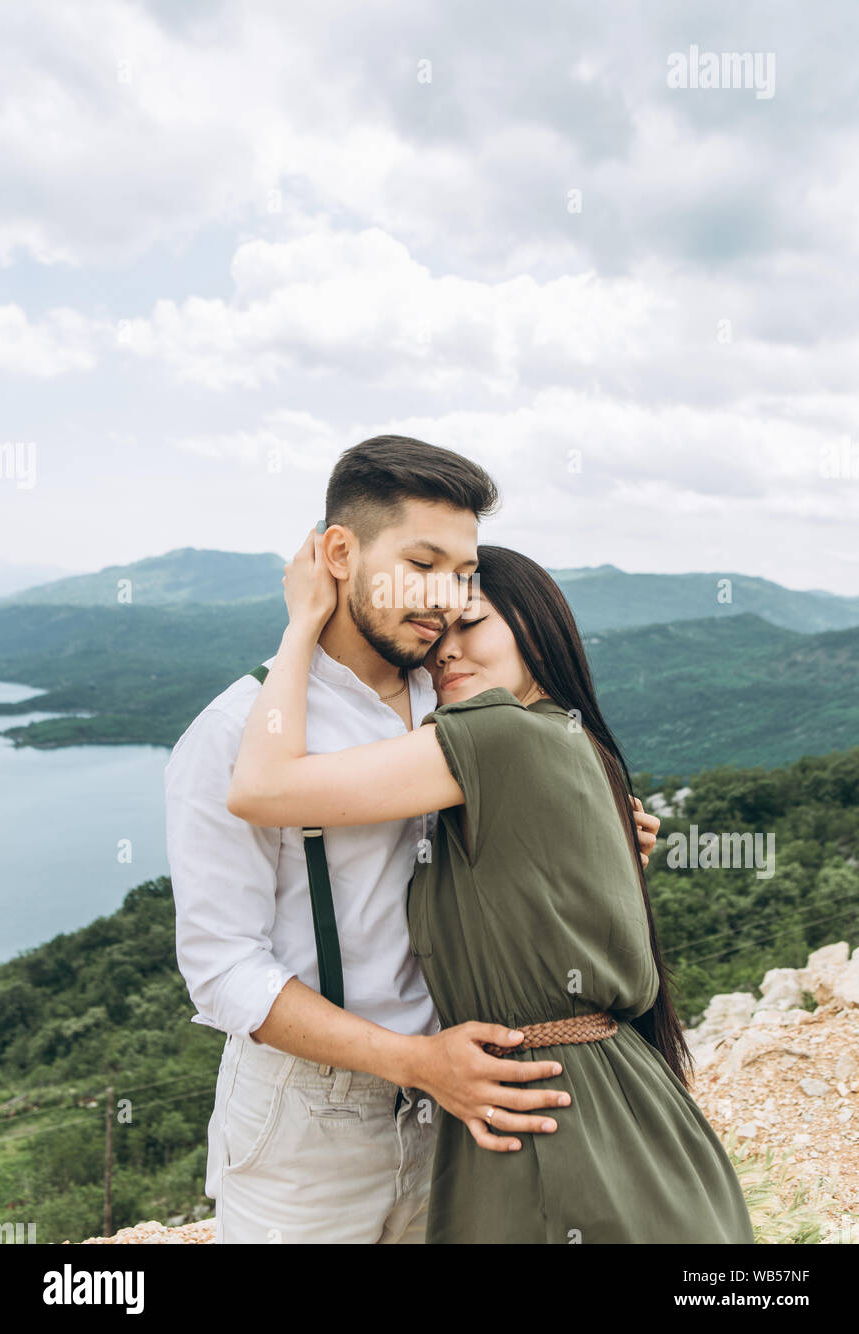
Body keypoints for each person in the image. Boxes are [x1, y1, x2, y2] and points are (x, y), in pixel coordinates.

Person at [166, 433, 662, 1244]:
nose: (445, 598)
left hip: (466, 1107)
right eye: (422, 564)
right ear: (338, 553)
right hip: (310, 1125)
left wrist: (597, 847)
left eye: (463, 574)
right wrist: (414, 1064)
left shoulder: (461, 692)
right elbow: (222, 971)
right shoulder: (233, 734)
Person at [227, 530, 756, 1245]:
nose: (446, 650)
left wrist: (301, 628)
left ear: (539, 626)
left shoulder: (494, 735)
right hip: (617, 1108)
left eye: (470, 623)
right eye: (437, 632)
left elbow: (262, 787)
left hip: (544, 1118)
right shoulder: (578, 747)